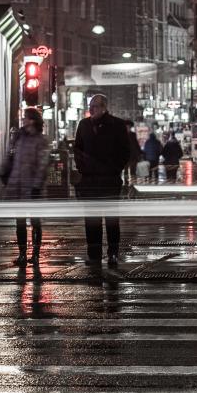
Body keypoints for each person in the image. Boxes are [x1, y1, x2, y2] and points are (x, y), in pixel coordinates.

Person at [73, 94, 131, 265]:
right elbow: (77, 149)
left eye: (95, 106)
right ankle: (94, 254)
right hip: (89, 180)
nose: (91, 109)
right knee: (92, 220)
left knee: (111, 220)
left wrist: (113, 169)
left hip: (109, 180)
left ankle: (113, 252)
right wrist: (83, 167)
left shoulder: (117, 125)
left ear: (104, 107)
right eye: (90, 106)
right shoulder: (84, 125)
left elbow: (125, 152)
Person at [2, 108, 50, 265]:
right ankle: (22, 254)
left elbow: (42, 165)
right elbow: (10, 156)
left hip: (32, 187)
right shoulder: (18, 137)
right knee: (20, 222)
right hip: (17, 186)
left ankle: (35, 254)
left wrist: (37, 186)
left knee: (35, 221)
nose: (23, 120)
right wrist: (4, 173)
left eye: (26, 118)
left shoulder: (41, 140)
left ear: (33, 120)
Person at [124, 119, 142, 185]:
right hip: (125, 156)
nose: (128, 128)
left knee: (133, 171)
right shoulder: (121, 135)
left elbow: (136, 145)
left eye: (129, 127)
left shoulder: (133, 134)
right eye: (127, 126)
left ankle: (133, 184)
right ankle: (126, 183)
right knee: (126, 171)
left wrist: (140, 153)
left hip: (133, 156)